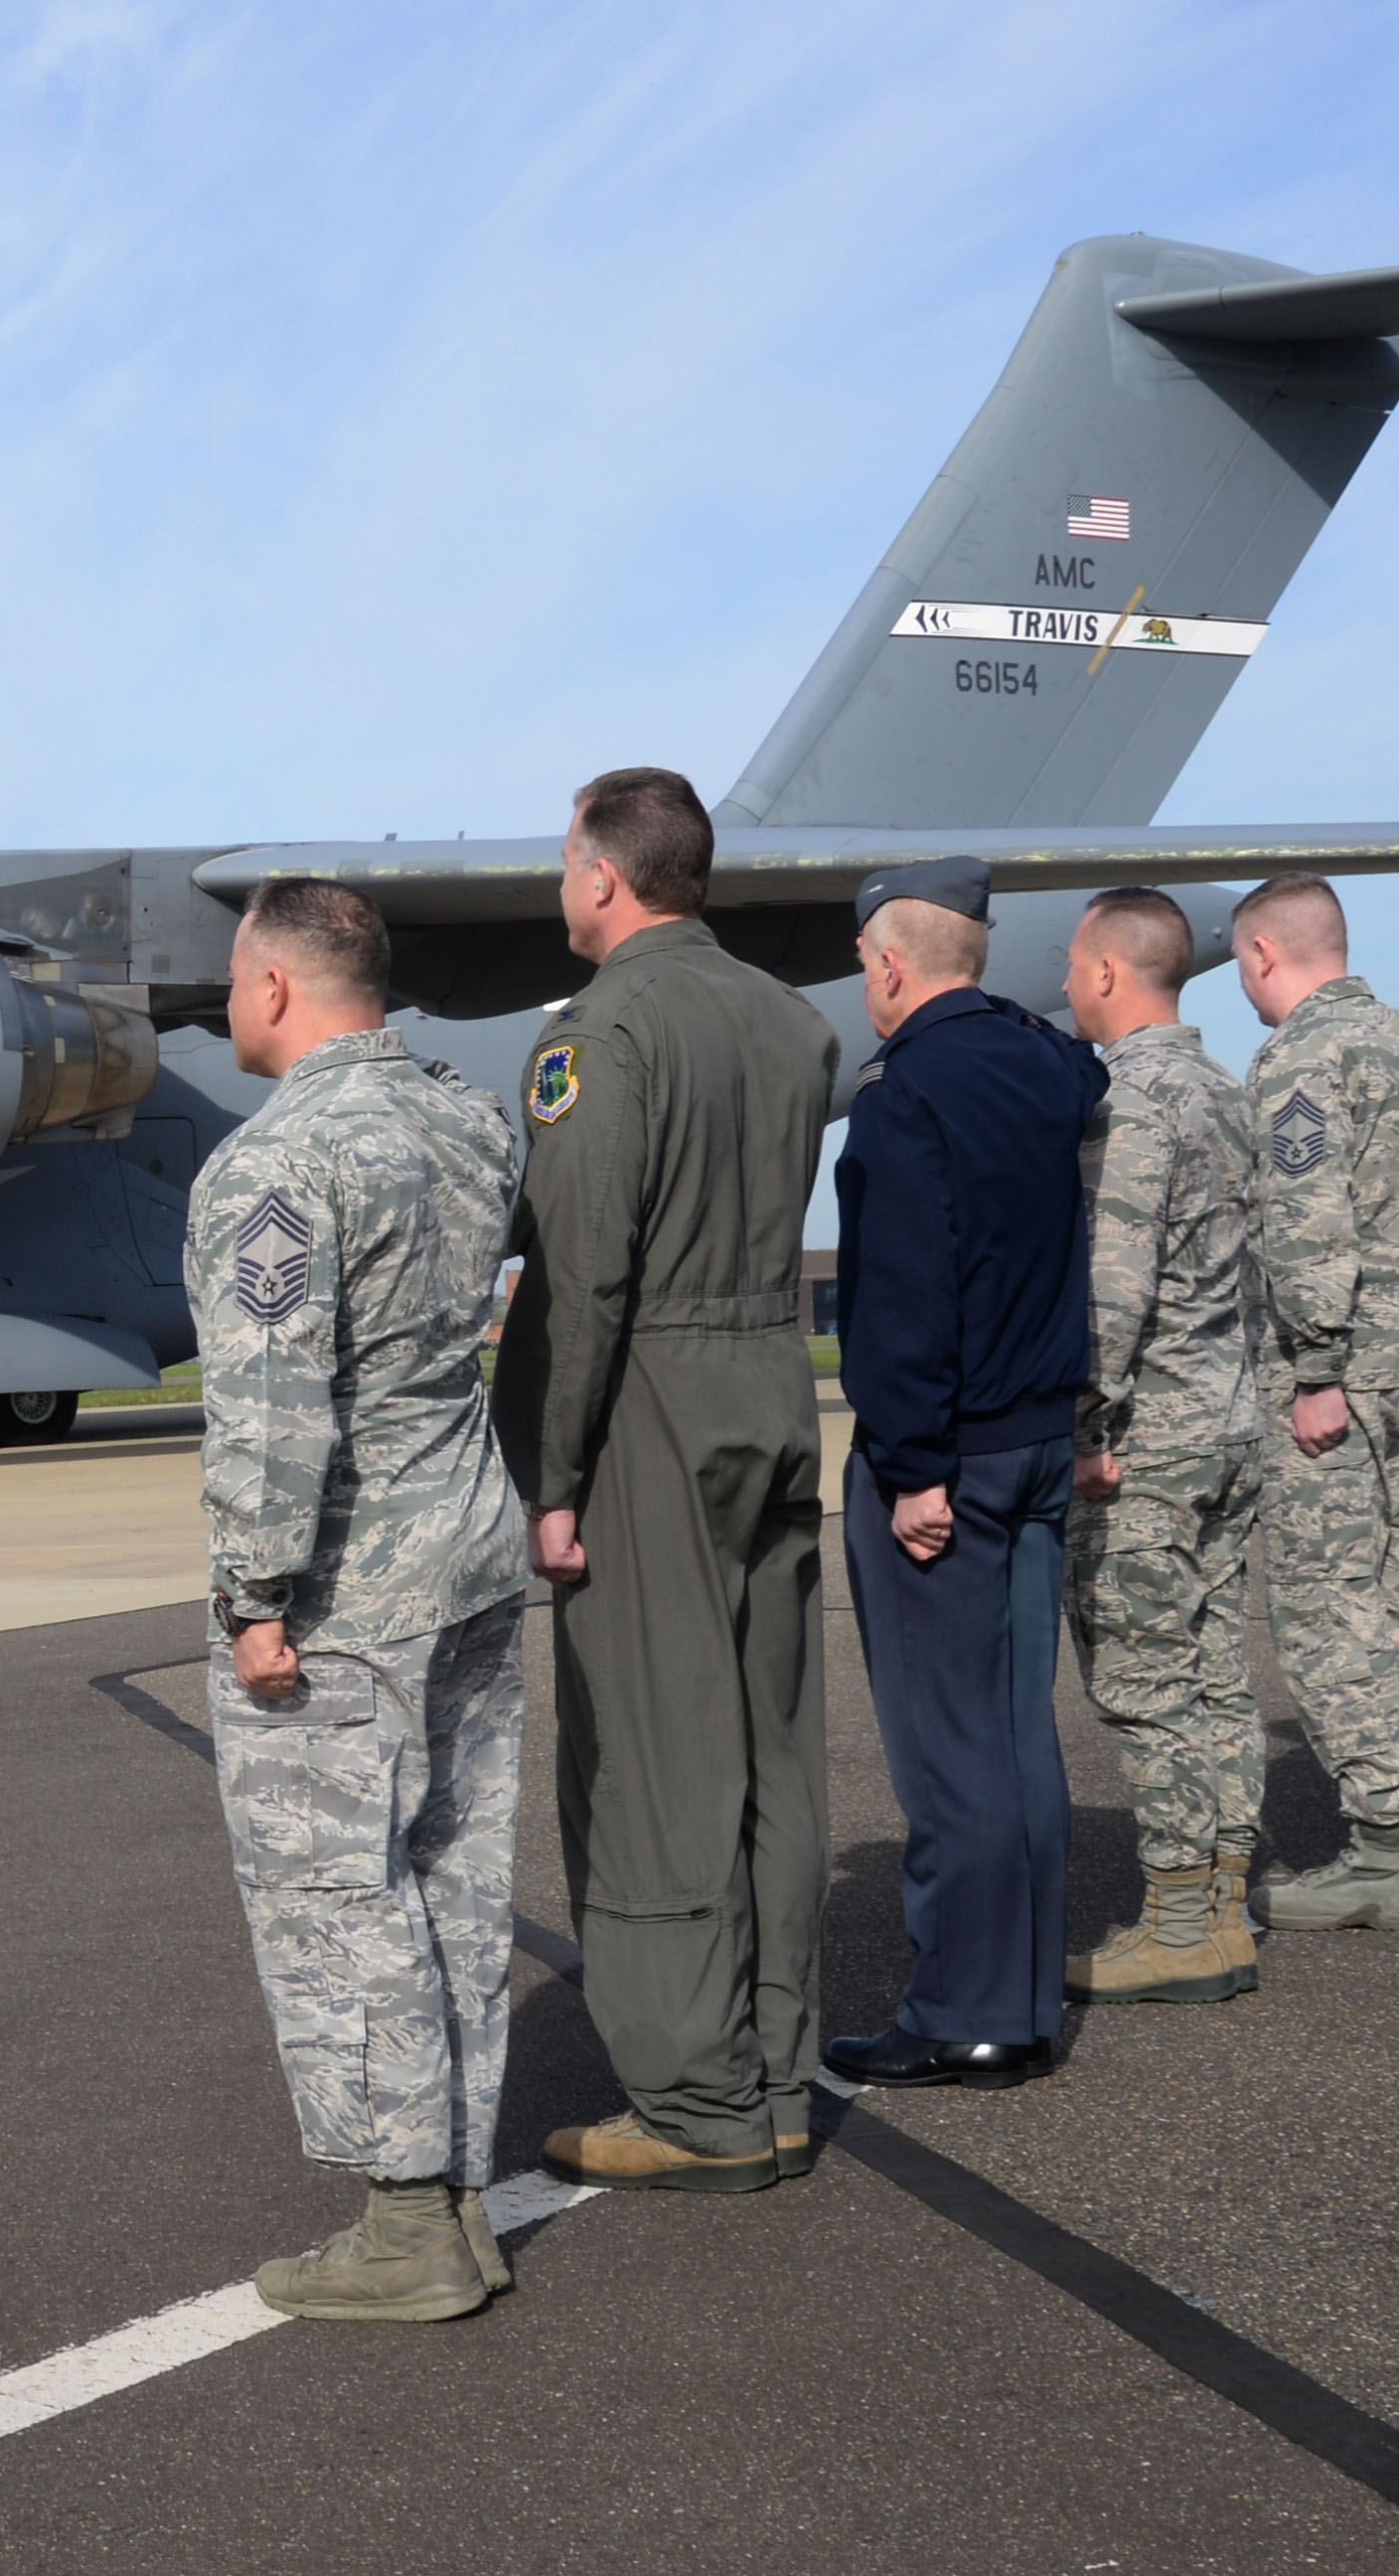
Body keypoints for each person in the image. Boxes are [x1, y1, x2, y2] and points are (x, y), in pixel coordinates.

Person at [189, 876, 537, 2323]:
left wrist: (252, 1596)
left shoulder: (277, 1163)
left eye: (230, 981)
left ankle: (405, 2222)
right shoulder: (466, 1121)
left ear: (274, 988)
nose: (223, 1006)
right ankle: (455, 2187)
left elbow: (272, 1410)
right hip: (468, 1547)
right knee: (455, 1875)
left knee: (340, 1894)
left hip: (348, 1590)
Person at [492, 765, 840, 2187]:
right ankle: (773, 2070)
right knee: (771, 1745)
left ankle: (696, 2101)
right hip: (771, 1380)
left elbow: (582, 1270)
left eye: (566, 859)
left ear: (603, 874)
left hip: (649, 1406)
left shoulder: (599, 1033)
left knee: (648, 1753)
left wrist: (550, 1471)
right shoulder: (789, 1018)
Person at [815, 858, 1105, 2089]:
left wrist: (913, 1466)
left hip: (955, 1455)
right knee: (1015, 1728)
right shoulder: (1048, 1066)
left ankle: (966, 2008)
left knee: (950, 1745)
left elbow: (900, 1298)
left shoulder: (901, 1092)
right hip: (1040, 1434)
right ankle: (1021, 1993)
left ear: (886, 963)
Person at [1231, 873, 1399, 1934]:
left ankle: (1383, 1848)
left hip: (1344, 1369)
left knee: (1328, 1609)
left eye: (1240, 962)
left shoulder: (1299, 1057)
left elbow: (1307, 1217)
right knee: (1384, 1599)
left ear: (1264, 954)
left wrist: (1316, 1367)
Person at [1057, 888, 1276, 2006]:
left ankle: (1182, 1919)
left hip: (1151, 1440)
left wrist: (1087, 1430)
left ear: (1105, 971)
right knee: (1212, 1674)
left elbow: (1111, 1291)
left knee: (1148, 1687)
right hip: (1233, 1420)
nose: (1059, 984)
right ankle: (1225, 1900)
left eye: (1069, 965)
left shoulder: (1132, 1100)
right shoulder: (1225, 1088)